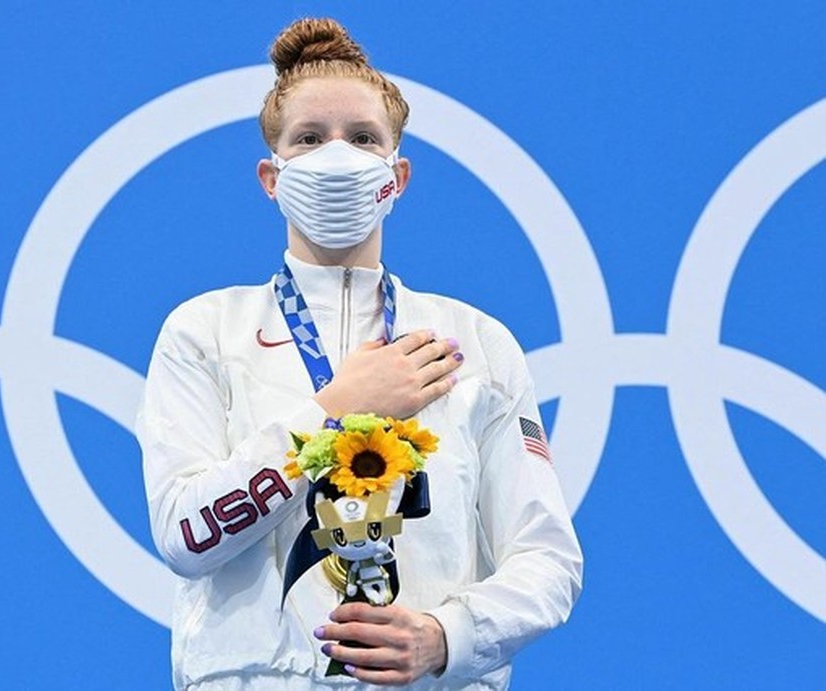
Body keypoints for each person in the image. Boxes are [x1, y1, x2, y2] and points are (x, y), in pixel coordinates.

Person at [136, 17, 582, 690]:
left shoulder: (475, 342)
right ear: (271, 176)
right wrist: (335, 410)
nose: (336, 157)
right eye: (309, 138)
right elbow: (186, 534)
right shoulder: (205, 331)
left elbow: (547, 559)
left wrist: (446, 637)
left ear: (397, 176)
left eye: (363, 137)